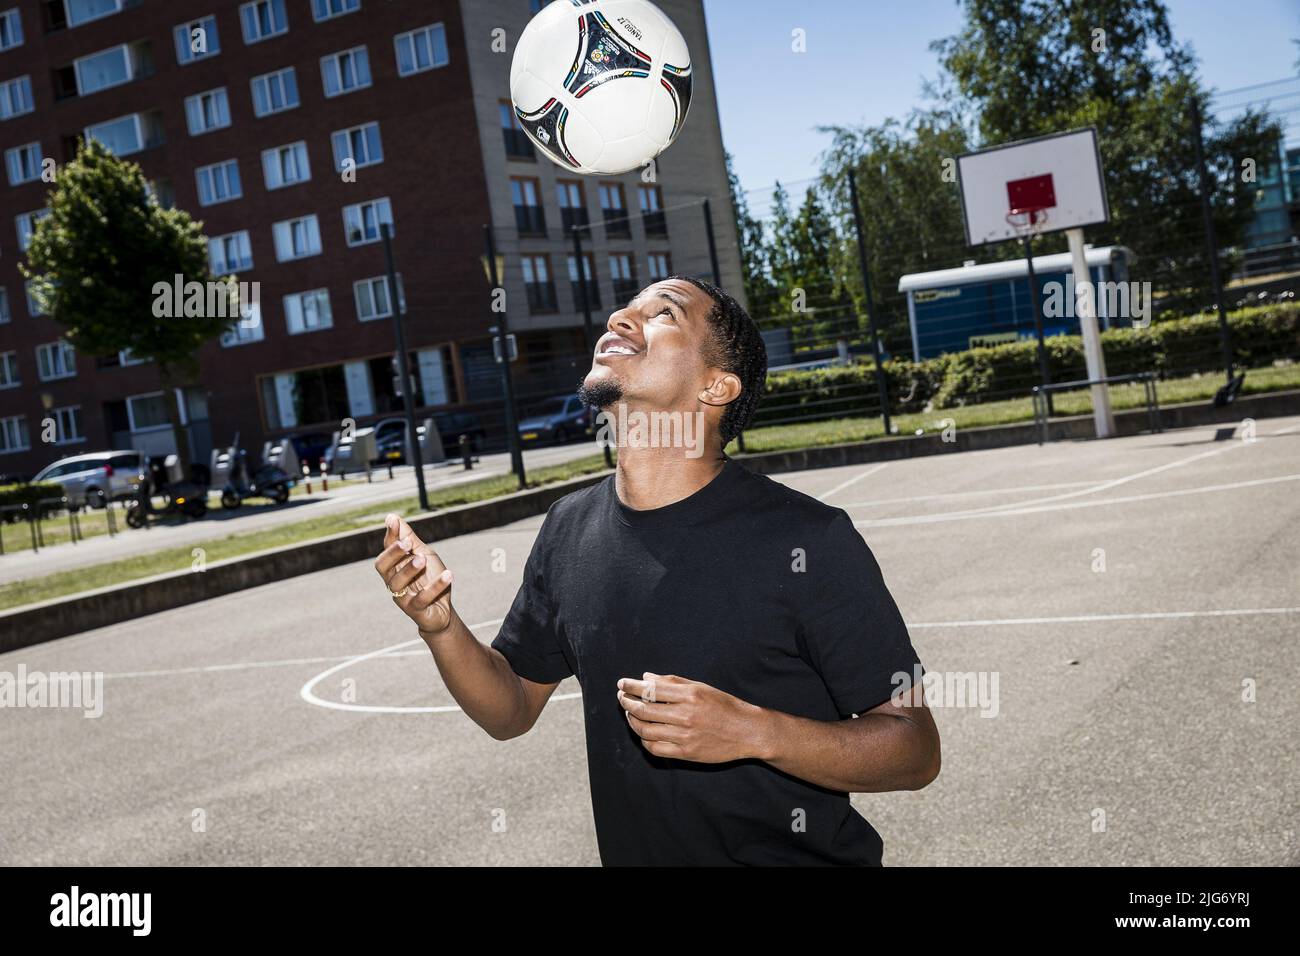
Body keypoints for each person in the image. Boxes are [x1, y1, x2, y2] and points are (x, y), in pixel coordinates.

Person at [375, 276, 940, 865]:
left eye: (664, 313)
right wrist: (440, 627)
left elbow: (914, 749)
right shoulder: (567, 529)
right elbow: (510, 708)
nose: (620, 318)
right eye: (625, 309)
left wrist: (754, 732)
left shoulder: (808, 539)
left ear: (715, 386)